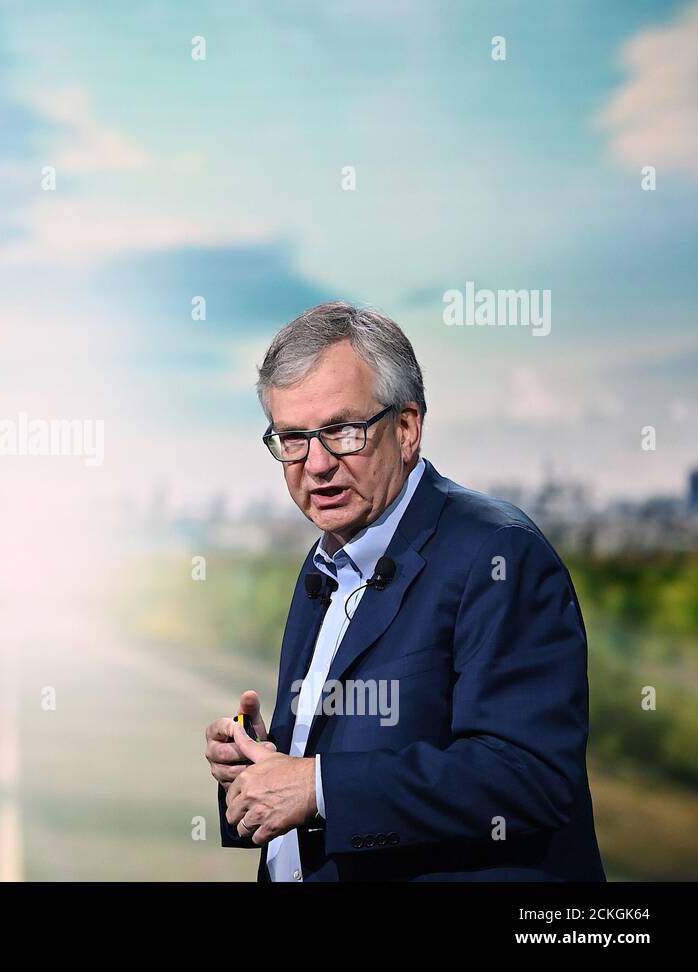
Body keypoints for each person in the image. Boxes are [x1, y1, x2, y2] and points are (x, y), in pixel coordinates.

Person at [204, 301, 605, 881]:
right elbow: (339, 760)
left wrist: (317, 788)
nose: (315, 464)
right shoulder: (324, 563)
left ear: (407, 428)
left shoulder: (498, 553)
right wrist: (262, 764)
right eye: (292, 438)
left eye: (340, 431)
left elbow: (528, 775)